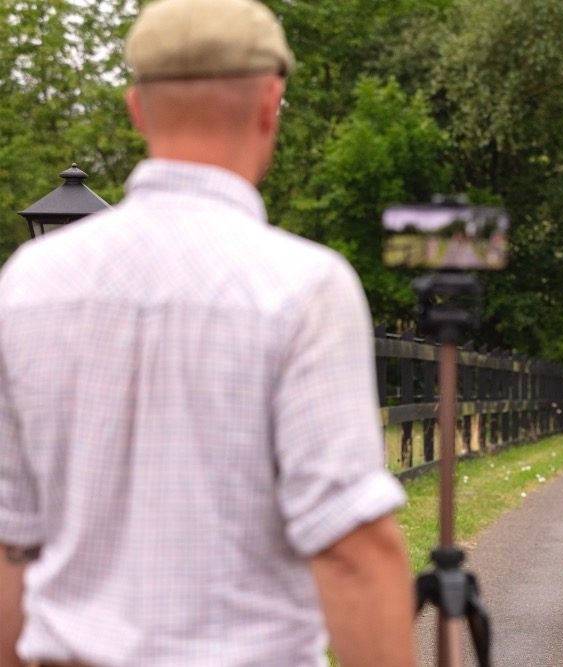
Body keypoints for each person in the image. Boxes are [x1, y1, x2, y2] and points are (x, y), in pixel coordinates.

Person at [0, 0, 416, 665]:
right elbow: (353, 552)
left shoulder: (28, 283)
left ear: (138, 108)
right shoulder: (301, 286)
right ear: (269, 103)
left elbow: (12, 542)